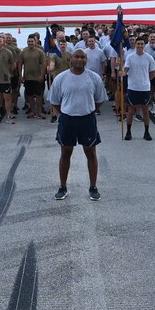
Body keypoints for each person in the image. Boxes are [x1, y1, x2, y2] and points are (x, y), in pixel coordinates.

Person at [47, 48, 106, 201]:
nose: (79, 60)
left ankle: (93, 187)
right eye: (77, 57)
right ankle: (62, 187)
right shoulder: (61, 78)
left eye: (82, 57)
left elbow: (99, 100)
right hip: (67, 120)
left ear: (86, 59)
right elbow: (55, 101)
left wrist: (88, 110)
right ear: (71, 59)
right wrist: (65, 114)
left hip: (87, 120)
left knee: (91, 152)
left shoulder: (94, 78)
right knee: (65, 153)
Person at [121, 37, 155, 140]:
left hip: (145, 88)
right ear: (136, 45)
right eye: (138, 44)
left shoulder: (149, 57)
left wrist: (146, 80)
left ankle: (146, 132)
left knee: (145, 110)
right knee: (131, 110)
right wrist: (122, 72)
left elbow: (154, 71)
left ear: (144, 45)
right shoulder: (130, 57)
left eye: (142, 44)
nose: (140, 46)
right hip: (132, 88)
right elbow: (126, 70)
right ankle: (128, 132)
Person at [19, 36, 47, 120]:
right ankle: (33, 111)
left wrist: (42, 75)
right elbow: (20, 64)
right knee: (30, 95)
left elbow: (43, 64)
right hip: (27, 77)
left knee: (39, 95)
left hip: (37, 77)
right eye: (29, 41)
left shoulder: (40, 52)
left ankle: (39, 112)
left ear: (35, 42)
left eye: (32, 41)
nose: (30, 43)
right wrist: (20, 76)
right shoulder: (23, 52)